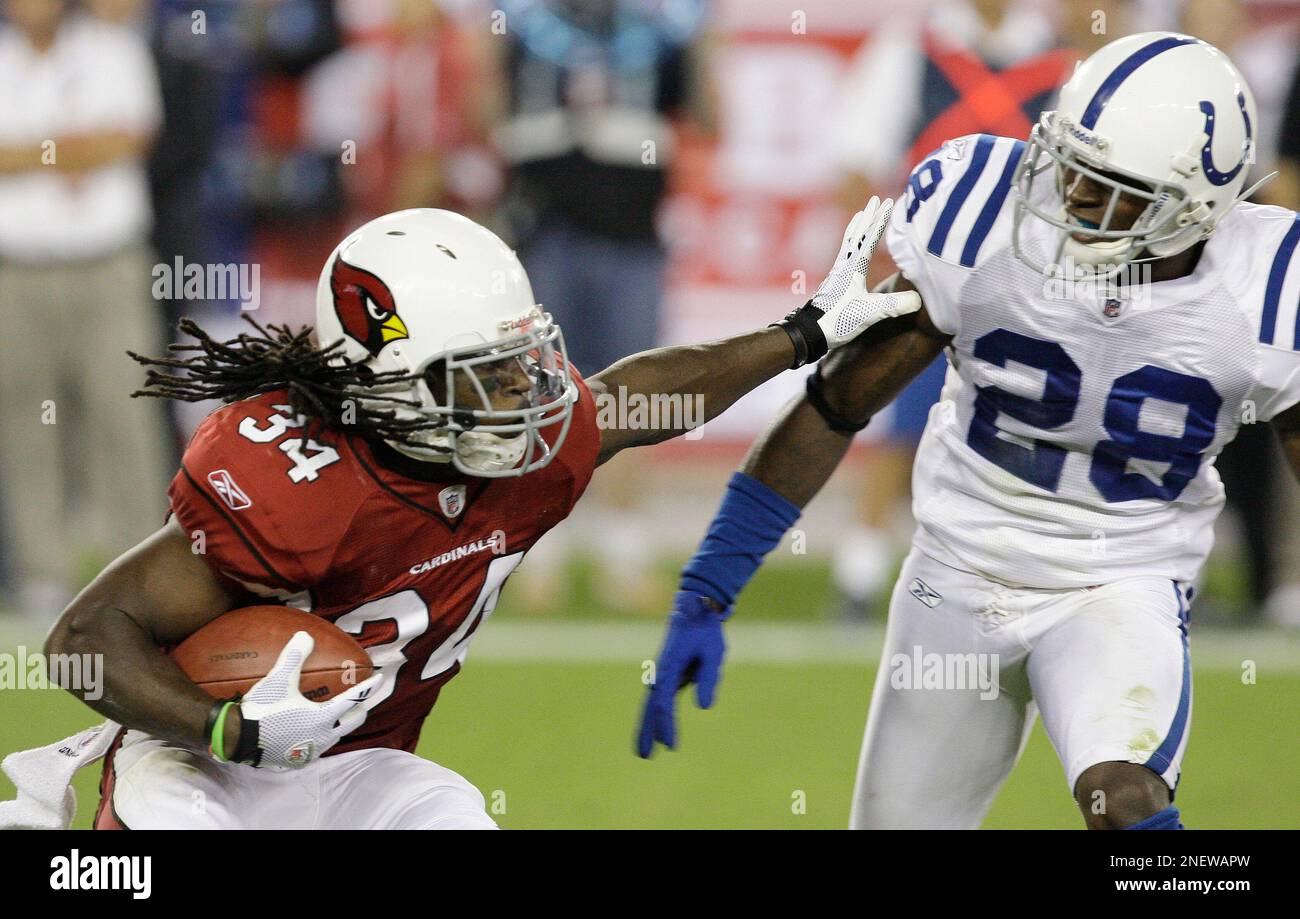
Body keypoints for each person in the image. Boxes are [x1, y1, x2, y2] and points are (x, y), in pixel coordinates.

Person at [33, 203, 917, 829]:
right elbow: (85, 635)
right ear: (385, 385)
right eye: (484, 377)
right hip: (201, 768)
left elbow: (640, 396)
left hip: (360, 768)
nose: (522, 396)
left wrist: (800, 333)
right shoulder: (299, 484)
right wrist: (225, 726)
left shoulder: (521, 451)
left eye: (521, 363)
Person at [636, 32, 1300, 830]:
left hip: (1122, 579)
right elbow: (836, 402)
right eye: (1067, 166)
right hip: (956, 567)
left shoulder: (1268, 290)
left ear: (1198, 205)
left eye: (1108, 188)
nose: (1069, 199)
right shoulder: (981, 212)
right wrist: (711, 583)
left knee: (1124, 801)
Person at [0, 0, 171, 619]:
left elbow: (133, 136)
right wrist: (69, 149)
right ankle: (42, 572)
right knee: (25, 419)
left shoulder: (110, 47)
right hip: (17, 268)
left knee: (124, 409)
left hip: (106, 262)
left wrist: (28, 154)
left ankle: (138, 567)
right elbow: (100, 142)